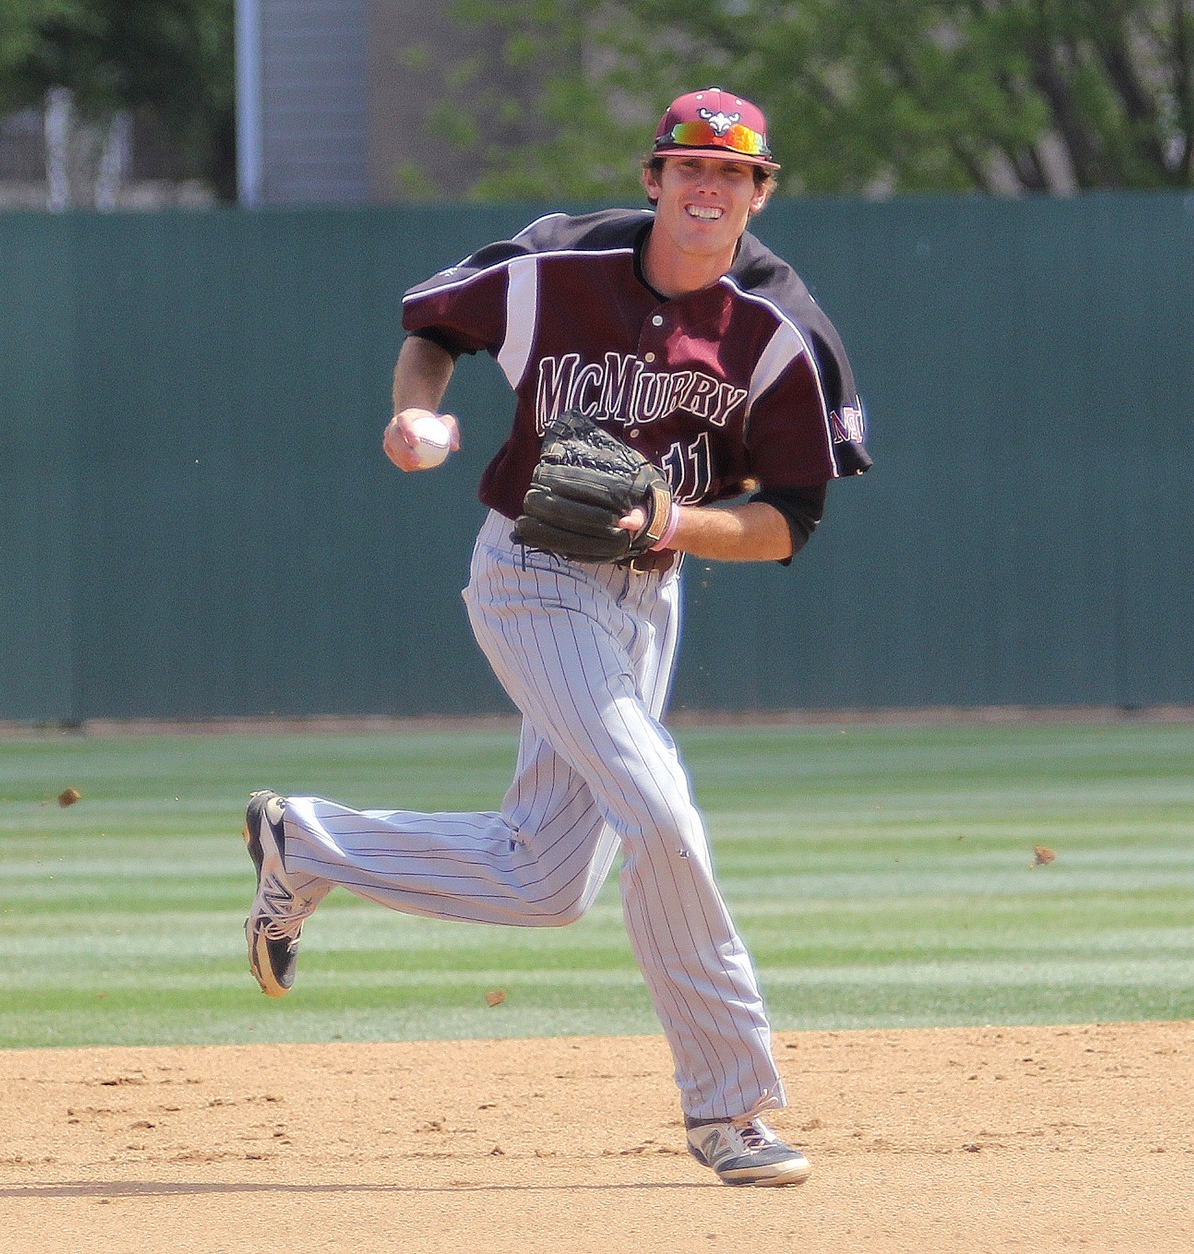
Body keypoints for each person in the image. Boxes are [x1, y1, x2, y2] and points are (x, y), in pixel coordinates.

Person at [244, 87, 871, 1187]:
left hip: (651, 588)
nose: (707, 189)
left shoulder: (780, 330)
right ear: (652, 178)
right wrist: (420, 412)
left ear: (760, 193)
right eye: (688, 168)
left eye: (733, 175)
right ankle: (730, 1109)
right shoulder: (555, 265)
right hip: (531, 573)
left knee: (545, 882)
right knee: (661, 812)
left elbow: (790, 522)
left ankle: (307, 844)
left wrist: (673, 522)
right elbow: (435, 329)